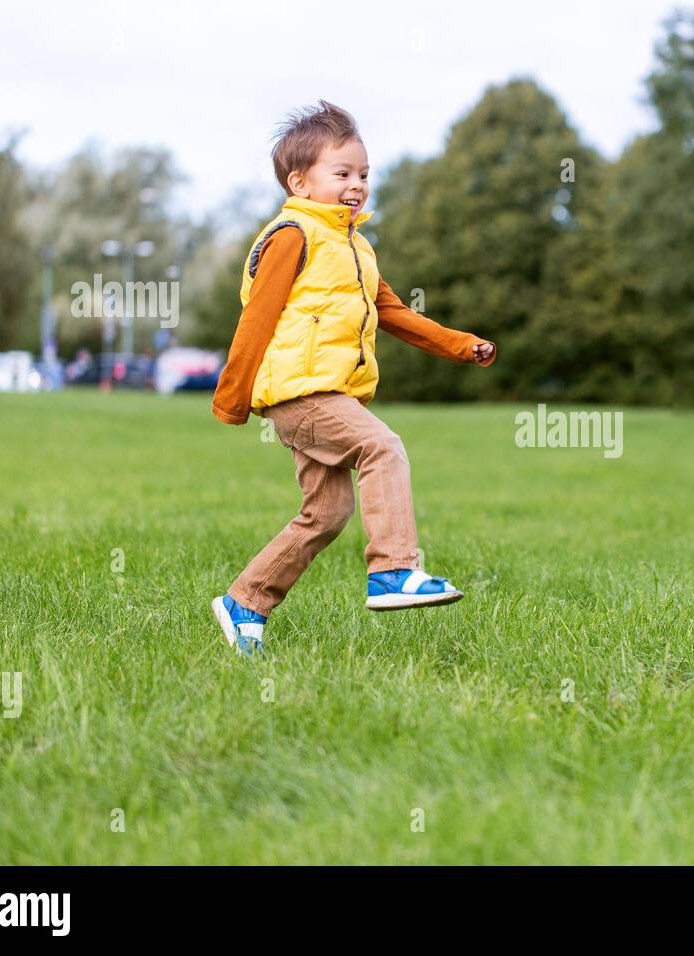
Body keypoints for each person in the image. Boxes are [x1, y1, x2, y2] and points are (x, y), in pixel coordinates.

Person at [209, 100, 496, 656]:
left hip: (328, 392)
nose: (357, 184)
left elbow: (396, 314)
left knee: (327, 512)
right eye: (342, 173)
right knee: (382, 447)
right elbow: (257, 318)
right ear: (300, 180)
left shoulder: (355, 247)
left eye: (364, 174)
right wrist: (232, 398)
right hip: (302, 392)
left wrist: (462, 345)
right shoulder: (292, 235)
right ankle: (393, 571)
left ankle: (246, 601)